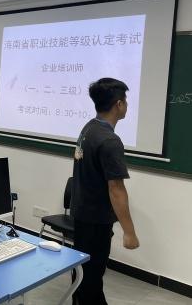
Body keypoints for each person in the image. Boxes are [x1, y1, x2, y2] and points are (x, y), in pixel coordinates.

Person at [71, 78, 140, 305]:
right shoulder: (110, 140)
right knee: (91, 279)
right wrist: (129, 232)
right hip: (96, 221)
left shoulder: (88, 128)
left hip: (82, 214)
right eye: (126, 101)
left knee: (82, 274)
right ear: (118, 104)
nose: (127, 105)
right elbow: (116, 189)